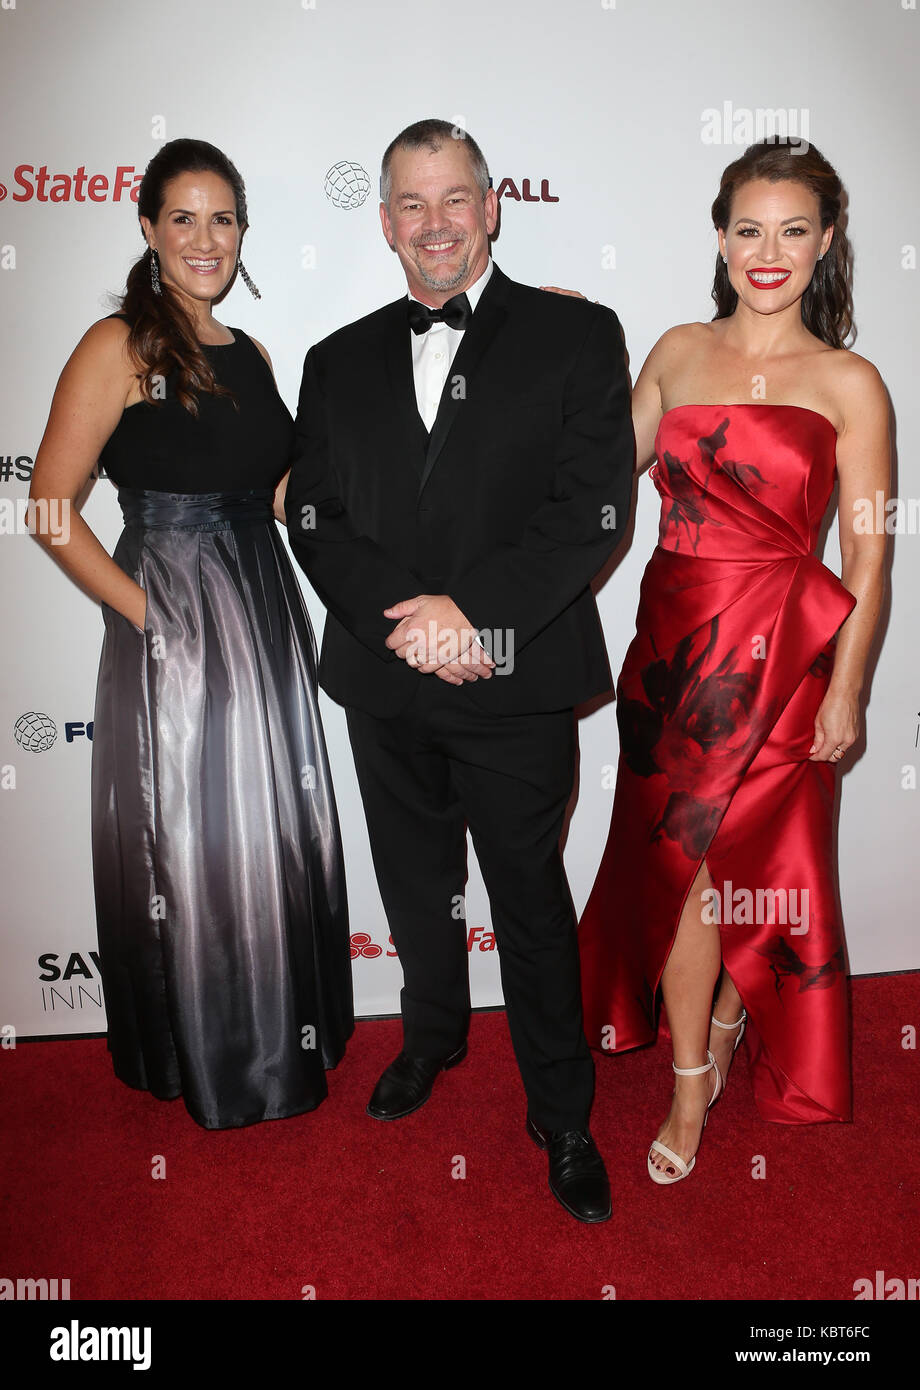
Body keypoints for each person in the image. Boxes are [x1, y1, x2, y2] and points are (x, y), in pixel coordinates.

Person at [284, 118, 633, 1222]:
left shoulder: (574, 337)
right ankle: (429, 1035)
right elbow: (316, 517)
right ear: (384, 221)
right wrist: (411, 622)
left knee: (528, 899)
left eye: (453, 199)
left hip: (513, 678)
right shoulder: (333, 359)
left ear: (491, 206)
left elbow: (592, 510)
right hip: (388, 680)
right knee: (416, 887)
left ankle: (561, 1112)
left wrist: (470, 617)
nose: (433, 225)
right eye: (410, 204)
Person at [576, 137, 889, 1183]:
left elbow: (867, 551)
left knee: (735, 876)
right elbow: (596, 484)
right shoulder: (672, 350)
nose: (768, 252)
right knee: (684, 870)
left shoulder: (848, 380)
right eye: (747, 229)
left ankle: (689, 1079)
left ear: (825, 242)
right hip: (673, 652)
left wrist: (845, 687)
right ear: (719, 238)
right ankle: (703, 1041)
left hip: (787, 658)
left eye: (792, 230)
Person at [29, 138, 353, 1130]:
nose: (205, 238)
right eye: (184, 218)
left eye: (223, 219)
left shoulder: (251, 355)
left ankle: (278, 1034)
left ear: (243, 232)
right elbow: (48, 506)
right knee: (193, 839)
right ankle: (211, 1054)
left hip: (260, 604)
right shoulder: (116, 344)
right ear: (148, 230)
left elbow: (288, 492)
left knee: (266, 830)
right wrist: (147, 614)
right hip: (171, 612)